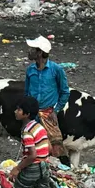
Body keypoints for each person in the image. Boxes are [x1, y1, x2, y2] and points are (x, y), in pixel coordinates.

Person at [7, 96, 54, 188]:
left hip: (32, 167)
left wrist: (17, 168)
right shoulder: (39, 126)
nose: (16, 111)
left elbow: (32, 155)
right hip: (44, 166)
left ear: (26, 114)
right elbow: (49, 147)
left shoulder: (27, 131)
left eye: (19, 109)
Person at [25, 35, 70, 165]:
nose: (29, 51)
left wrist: (55, 111)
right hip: (33, 114)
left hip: (48, 113)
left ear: (40, 52)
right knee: (33, 145)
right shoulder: (30, 70)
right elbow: (27, 93)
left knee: (55, 147)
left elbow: (65, 92)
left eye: (33, 49)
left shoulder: (56, 70)